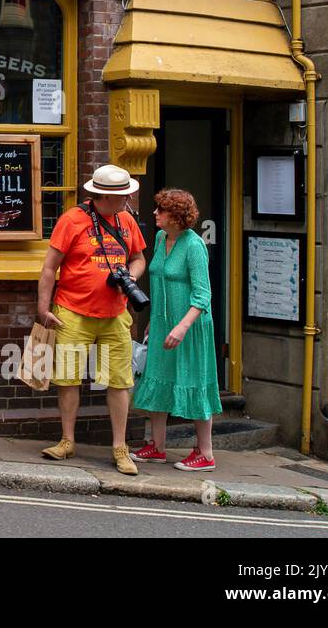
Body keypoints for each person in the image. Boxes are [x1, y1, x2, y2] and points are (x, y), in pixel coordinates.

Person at [36, 164, 148, 475]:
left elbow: (139, 258)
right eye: (120, 196)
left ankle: (120, 448)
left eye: (127, 195)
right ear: (101, 196)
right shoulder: (71, 221)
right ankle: (67, 441)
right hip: (72, 312)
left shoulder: (127, 220)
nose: (126, 201)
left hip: (115, 314)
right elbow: (49, 268)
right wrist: (43, 309)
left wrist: (130, 276)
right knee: (68, 378)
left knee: (119, 382)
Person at [131, 188, 222, 470]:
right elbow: (158, 280)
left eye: (161, 210)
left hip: (190, 329)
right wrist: (154, 321)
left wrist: (182, 327)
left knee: (194, 383)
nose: (155, 213)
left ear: (177, 217)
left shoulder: (194, 246)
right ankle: (157, 447)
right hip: (161, 325)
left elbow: (202, 296)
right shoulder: (161, 237)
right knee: (157, 378)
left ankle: (205, 453)